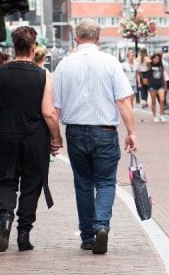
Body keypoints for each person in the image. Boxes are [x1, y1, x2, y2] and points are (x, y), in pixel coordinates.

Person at [52, 19, 137, 254]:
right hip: (105, 131)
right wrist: (131, 132)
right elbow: (123, 100)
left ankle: (88, 236)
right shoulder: (110, 63)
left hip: (76, 132)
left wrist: (55, 137)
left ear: (76, 37)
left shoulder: (64, 65)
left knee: (83, 184)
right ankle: (101, 225)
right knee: (106, 181)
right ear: (98, 38)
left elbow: (55, 109)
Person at [0, 26, 63, 252]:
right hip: (35, 137)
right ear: (33, 48)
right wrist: (56, 138)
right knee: (32, 184)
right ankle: (23, 233)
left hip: (5, 135)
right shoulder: (43, 75)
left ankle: (5, 220)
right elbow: (48, 113)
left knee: (5, 180)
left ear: (14, 47)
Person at [146, 52, 168, 122]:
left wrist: (165, 85)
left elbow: (163, 76)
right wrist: (151, 59)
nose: (157, 60)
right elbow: (147, 61)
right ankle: (154, 116)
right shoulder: (150, 65)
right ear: (152, 59)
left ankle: (161, 115)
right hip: (152, 85)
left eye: (158, 59)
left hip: (160, 85)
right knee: (153, 102)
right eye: (155, 58)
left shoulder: (161, 66)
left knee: (162, 100)